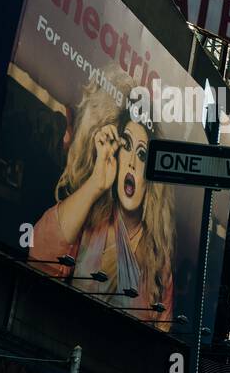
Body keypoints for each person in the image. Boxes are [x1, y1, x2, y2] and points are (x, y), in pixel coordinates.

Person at [30, 84, 176, 330]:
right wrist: (97, 183)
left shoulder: (159, 259)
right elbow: (39, 256)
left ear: (151, 174)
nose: (131, 162)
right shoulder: (88, 220)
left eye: (142, 155)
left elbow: (161, 336)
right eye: (126, 145)